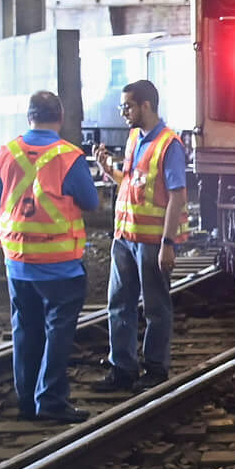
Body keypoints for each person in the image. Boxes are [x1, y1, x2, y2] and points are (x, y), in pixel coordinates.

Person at [0, 90, 99, 423]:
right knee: (58, 333)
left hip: (18, 262)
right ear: (60, 118)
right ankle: (50, 399)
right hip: (60, 265)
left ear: (29, 117)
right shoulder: (69, 156)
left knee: (25, 330)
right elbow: (91, 202)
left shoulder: (5, 153)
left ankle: (27, 401)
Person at [92, 79, 186, 390]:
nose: (123, 112)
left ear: (146, 105)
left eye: (127, 106)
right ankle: (123, 369)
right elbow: (131, 184)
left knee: (156, 308)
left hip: (152, 242)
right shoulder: (135, 138)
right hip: (125, 238)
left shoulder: (169, 145)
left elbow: (177, 196)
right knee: (119, 304)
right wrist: (108, 170)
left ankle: (156, 370)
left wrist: (168, 243)